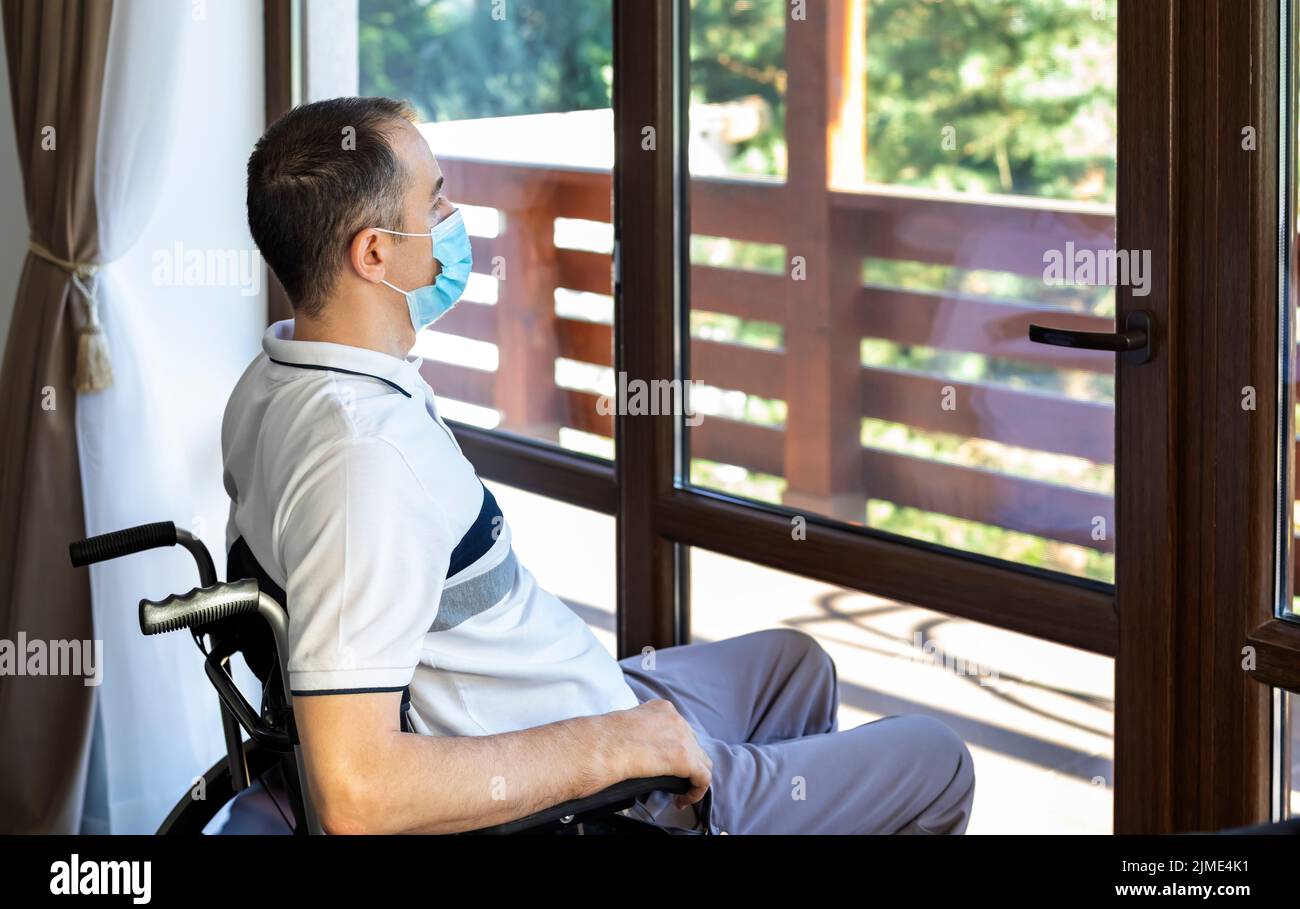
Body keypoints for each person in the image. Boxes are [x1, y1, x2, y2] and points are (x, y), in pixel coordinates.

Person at [223, 95, 975, 835]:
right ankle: (697, 814)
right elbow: (356, 797)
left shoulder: (274, 378)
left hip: (572, 698)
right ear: (375, 253)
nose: (454, 221)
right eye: (437, 201)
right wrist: (618, 745)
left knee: (794, 665)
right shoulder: (363, 459)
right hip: (592, 789)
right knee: (939, 760)